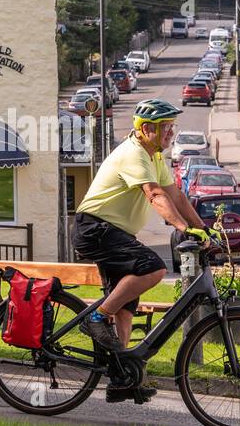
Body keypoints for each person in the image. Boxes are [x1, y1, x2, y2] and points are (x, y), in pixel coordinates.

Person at [72, 98, 213, 403]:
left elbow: (177, 196)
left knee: (126, 308)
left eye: (172, 127)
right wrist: (182, 228)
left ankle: (121, 378)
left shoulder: (155, 156)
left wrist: (204, 227)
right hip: (95, 229)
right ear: (147, 128)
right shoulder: (133, 153)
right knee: (153, 268)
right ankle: (96, 318)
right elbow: (155, 194)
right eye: (166, 127)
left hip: (114, 232)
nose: (171, 133)